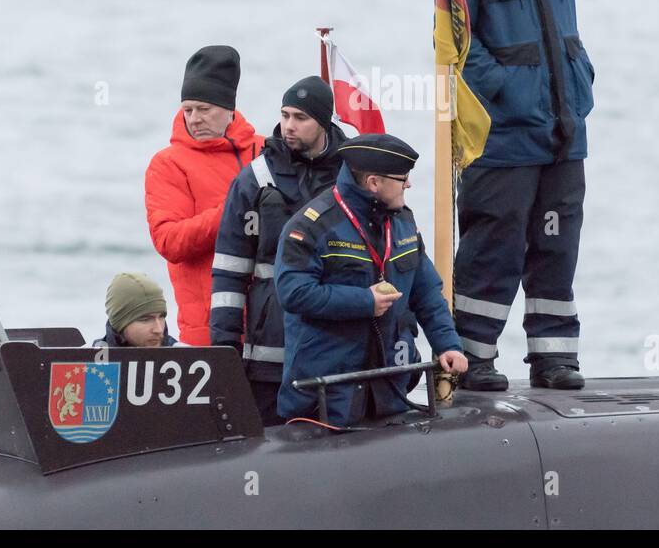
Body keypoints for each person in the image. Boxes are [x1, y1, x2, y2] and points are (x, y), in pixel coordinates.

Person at [451, 0, 594, 391]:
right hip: (503, 134)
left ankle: (554, 356)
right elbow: (457, 43)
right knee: (495, 243)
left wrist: (580, 85)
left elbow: (567, 32)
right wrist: (508, 91)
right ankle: (471, 356)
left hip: (563, 128)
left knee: (558, 244)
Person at [276, 134, 468, 427]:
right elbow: (293, 292)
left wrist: (448, 344)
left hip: (389, 391)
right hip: (326, 397)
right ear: (374, 183)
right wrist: (364, 302)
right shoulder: (311, 227)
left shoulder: (403, 221)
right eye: (402, 178)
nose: (408, 185)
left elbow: (426, 291)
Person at [209, 76, 348, 425]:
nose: (289, 126)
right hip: (269, 353)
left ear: (324, 121)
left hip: (339, 350)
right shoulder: (254, 179)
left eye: (300, 118)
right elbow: (229, 269)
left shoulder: (354, 176)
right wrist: (225, 348)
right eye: (285, 115)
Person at [145, 45, 261, 345]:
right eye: (188, 110)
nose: (194, 118)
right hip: (207, 331)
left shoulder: (265, 152)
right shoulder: (168, 163)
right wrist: (234, 211)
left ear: (229, 109)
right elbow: (170, 241)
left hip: (273, 323)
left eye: (204, 109)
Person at [92, 272, 179, 348]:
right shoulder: (94, 362)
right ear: (120, 323)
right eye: (146, 319)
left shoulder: (184, 360)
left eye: (161, 317)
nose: (159, 329)